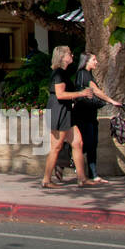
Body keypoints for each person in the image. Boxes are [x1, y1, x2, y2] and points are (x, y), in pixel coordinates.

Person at [42, 45, 95, 189]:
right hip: (58, 111)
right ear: (62, 57)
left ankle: (82, 178)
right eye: (69, 53)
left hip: (65, 111)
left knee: (77, 143)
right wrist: (81, 94)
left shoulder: (62, 73)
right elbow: (60, 94)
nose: (72, 55)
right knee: (56, 146)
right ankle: (46, 180)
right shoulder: (58, 73)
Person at [73, 52, 120, 183]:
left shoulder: (89, 74)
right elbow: (96, 91)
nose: (96, 62)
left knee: (92, 144)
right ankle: (72, 165)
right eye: (94, 59)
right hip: (82, 115)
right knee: (86, 144)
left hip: (90, 115)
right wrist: (111, 101)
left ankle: (93, 174)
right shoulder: (83, 74)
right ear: (86, 61)